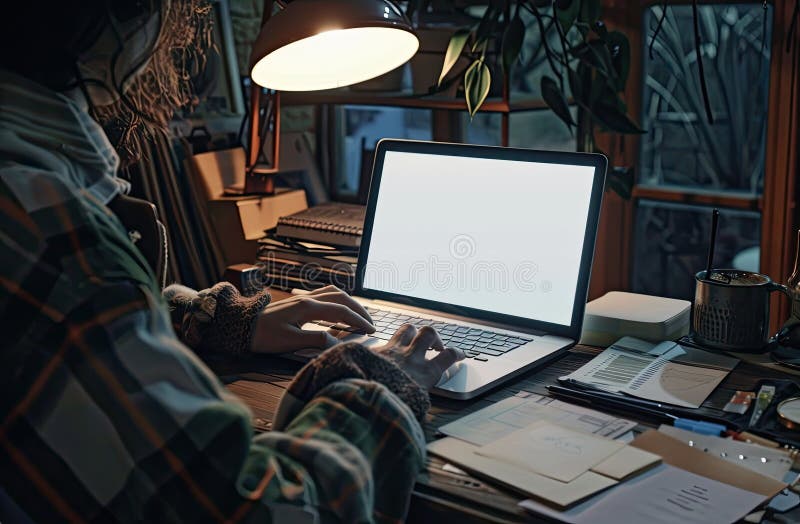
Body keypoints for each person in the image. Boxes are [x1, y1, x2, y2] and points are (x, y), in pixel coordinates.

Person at [0, 1, 463, 522]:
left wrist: (220, 318)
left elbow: (75, 324)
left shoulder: (34, 196)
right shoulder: (51, 233)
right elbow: (262, 510)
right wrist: (381, 384)